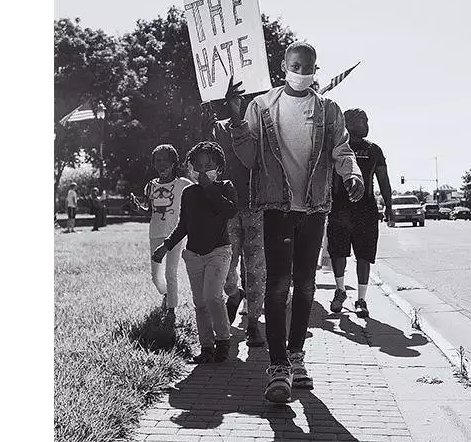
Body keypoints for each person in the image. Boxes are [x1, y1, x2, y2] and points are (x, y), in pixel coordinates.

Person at [227, 41, 364, 403]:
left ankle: (297, 356)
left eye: (309, 67)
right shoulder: (262, 106)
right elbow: (250, 158)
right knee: (278, 286)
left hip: (315, 208)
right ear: (283, 65)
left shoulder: (329, 110)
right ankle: (277, 366)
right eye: (296, 65)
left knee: (304, 286)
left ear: (317, 70)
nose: (302, 72)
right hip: (277, 208)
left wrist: (351, 175)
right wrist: (236, 117)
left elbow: (341, 149)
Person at [152, 141, 238, 363]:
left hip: (219, 251)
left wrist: (209, 187)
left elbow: (229, 210)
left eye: (208, 165)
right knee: (200, 303)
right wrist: (166, 246)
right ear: (190, 167)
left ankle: (224, 340)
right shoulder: (189, 193)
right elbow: (184, 225)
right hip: (193, 255)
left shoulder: (225, 187)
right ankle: (206, 346)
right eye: (197, 166)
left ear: (218, 167)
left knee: (213, 296)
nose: (201, 170)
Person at [205, 94, 267, 347]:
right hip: (228, 210)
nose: (240, 99)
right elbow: (207, 165)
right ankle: (234, 294)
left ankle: (253, 323)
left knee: (255, 270)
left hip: (257, 208)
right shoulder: (217, 127)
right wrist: (205, 129)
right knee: (225, 269)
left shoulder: (262, 127)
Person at [327, 108, 394, 319]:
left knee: (364, 255)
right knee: (338, 252)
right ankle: (340, 291)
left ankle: (361, 300)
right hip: (339, 208)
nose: (366, 124)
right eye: (363, 120)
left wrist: (389, 206)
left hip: (366, 209)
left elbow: (383, 180)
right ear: (349, 123)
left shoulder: (374, 150)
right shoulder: (336, 147)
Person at [142, 144, 193, 316]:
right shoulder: (150, 185)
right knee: (155, 277)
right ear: (154, 164)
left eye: (165, 160)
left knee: (170, 272)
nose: (161, 164)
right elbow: (150, 209)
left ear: (173, 163)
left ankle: (172, 309)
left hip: (175, 234)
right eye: (158, 160)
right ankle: (166, 294)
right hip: (155, 233)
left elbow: (198, 196)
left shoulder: (183, 184)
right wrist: (138, 208)